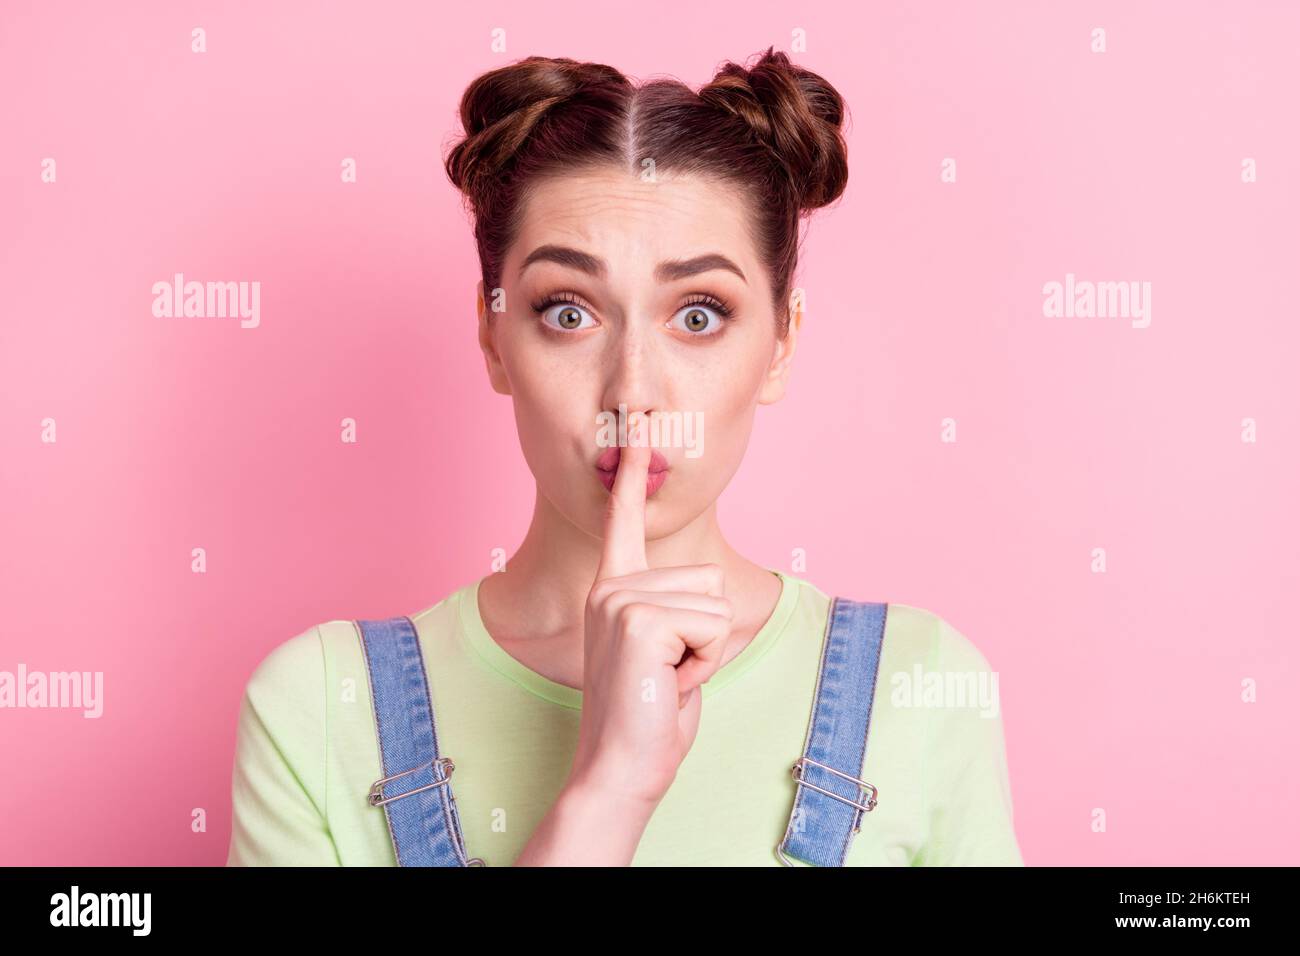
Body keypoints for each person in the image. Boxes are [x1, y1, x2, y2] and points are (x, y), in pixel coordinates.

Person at [226, 47, 1024, 867]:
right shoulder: (322, 708)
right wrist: (609, 789)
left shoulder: (920, 685)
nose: (633, 394)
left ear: (781, 344)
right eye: (568, 313)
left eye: (701, 315)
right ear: (492, 337)